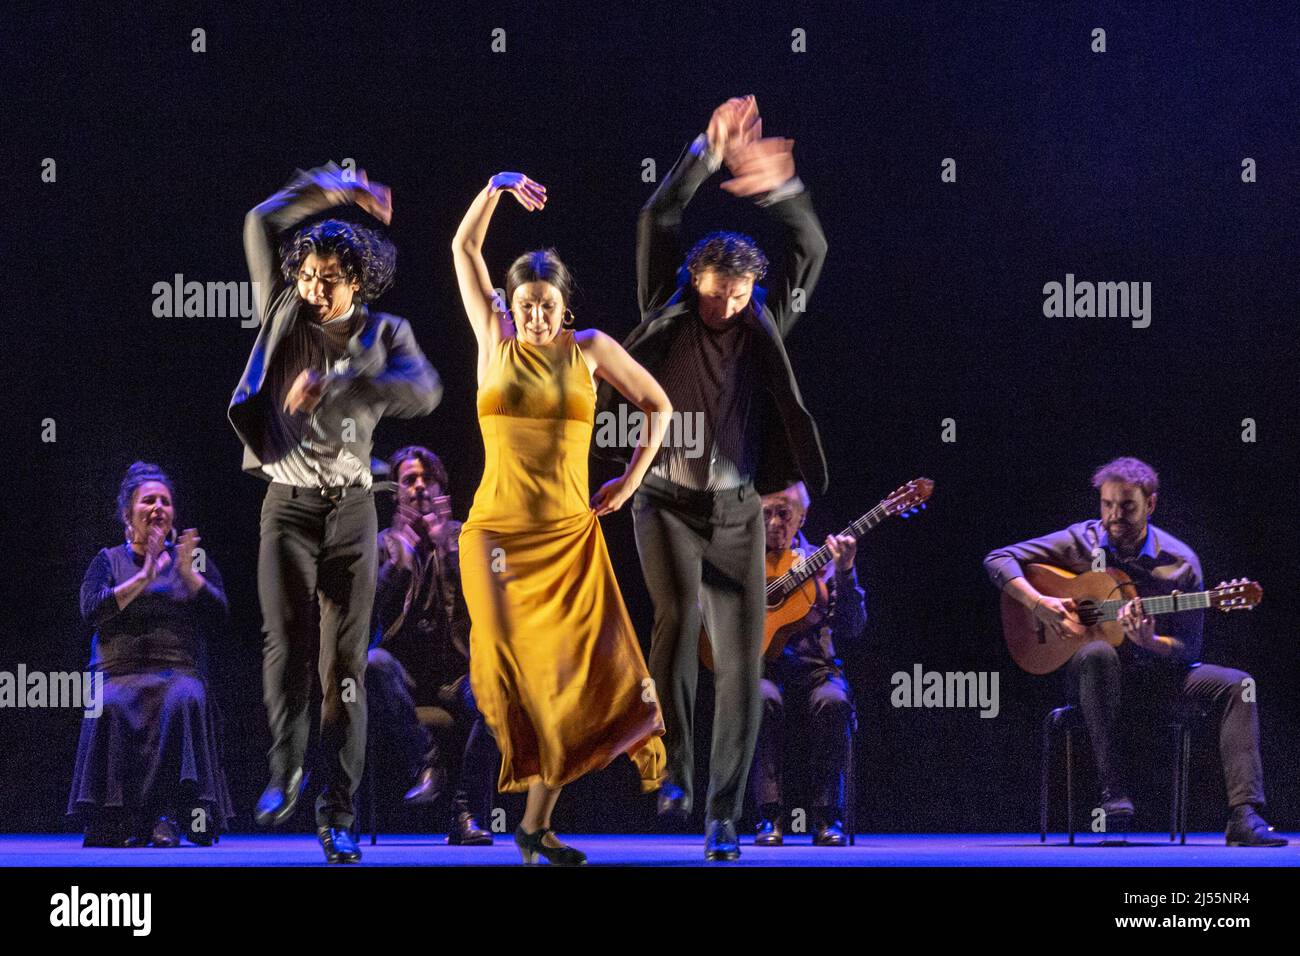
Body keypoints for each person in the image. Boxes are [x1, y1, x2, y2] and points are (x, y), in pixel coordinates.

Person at [595, 96, 829, 860]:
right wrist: (706, 148)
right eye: (713, 291)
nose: (724, 306)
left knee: (739, 656)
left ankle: (723, 815)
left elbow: (811, 251)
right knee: (673, 625)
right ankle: (676, 774)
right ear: (694, 279)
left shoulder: (762, 317)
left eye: (737, 294)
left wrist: (780, 188)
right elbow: (657, 216)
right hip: (661, 500)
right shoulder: (664, 306)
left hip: (735, 508)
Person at [452, 170, 670, 865]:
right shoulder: (493, 338)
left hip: (571, 537)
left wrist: (632, 480)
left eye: (547, 305)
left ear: (563, 305)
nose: (536, 316)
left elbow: (658, 406)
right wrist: (495, 189)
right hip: (495, 536)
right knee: (517, 668)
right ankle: (506, 809)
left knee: (574, 684)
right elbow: (462, 248)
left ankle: (534, 826)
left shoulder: (591, 351)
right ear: (511, 306)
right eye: (525, 305)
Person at [229, 163, 443, 864]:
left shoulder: (387, 333)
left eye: (330, 279)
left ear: (360, 279)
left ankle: (339, 812)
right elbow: (261, 221)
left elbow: (426, 391)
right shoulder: (285, 312)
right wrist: (336, 189)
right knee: (285, 645)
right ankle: (285, 768)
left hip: (352, 512)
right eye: (308, 275)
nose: (314, 289)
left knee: (343, 667)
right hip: (286, 506)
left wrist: (347, 377)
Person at [983, 456, 1286, 846]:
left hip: (1158, 679)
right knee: (1098, 653)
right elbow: (997, 559)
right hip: (1093, 682)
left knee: (1239, 685)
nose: (1114, 515)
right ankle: (1114, 798)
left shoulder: (1181, 564)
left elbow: (1188, 648)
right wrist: (1039, 603)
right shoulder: (1081, 540)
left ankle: (1245, 816)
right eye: (1107, 504)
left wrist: (1151, 642)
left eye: (1126, 506)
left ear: (1150, 504)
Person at [69, 461, 235, 847]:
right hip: (117, 671)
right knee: (108, 701)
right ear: (129, 514)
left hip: (177, 670)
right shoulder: (107, 560)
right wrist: (144, 576)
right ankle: (116, 816)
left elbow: (221, 619)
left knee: (183, 697)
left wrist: (190, 576)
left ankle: (166, 816)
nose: (158, 508)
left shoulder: (191, 559)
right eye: (148, 501)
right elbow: (91, 610)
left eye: (165, 501)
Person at [367, 445, 498, 845]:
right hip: (402, 676)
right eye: (409, 480)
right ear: (397, 493)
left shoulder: (466, 538)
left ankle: (466, 813)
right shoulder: (381, 543)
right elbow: (364, 610)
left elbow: (495, 600)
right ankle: (428, 764)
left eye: (428, 479)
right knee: (372, 663)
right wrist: (397, 564)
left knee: (497, 695)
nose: (420, 487)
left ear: (442, 488)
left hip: (456, 675)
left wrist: (451, 552)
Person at [749, 482, 865, 847]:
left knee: (833, 701)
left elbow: (853, 626)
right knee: (760, 699)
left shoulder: (823, 563)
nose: (773, 523)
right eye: (764, 513)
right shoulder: (741, 563)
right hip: (764, 671)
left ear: (803, 516)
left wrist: (845, 572)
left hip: (818, 670)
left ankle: (828, 818)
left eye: (783, 514)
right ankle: (769, 818)